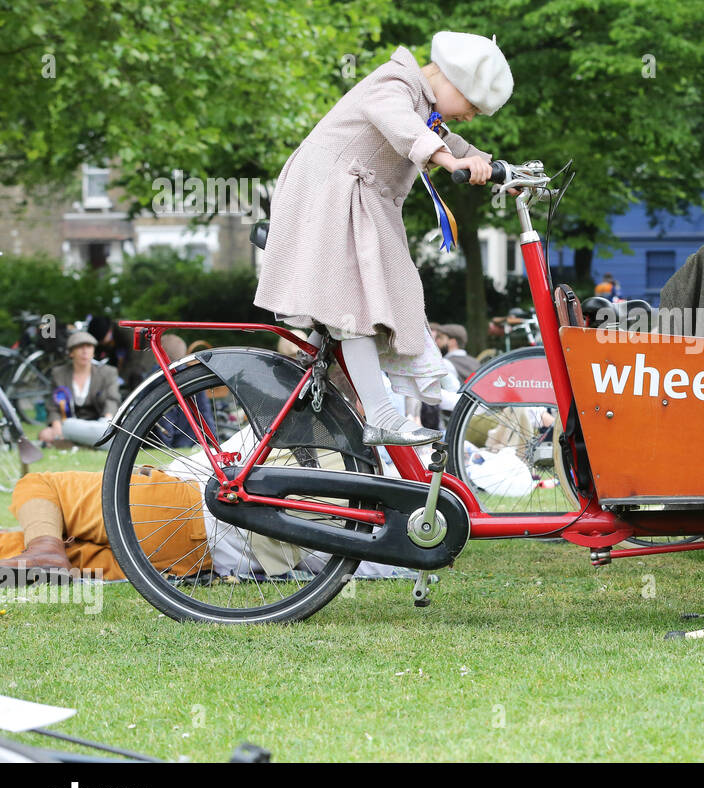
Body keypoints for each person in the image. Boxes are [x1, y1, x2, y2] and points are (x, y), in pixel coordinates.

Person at [253, 31, 513, 448]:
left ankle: (292, 407)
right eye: (472, 105)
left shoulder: (423, 105)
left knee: (348, 317)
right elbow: (401, 123)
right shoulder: (395, 82)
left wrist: (497, 168)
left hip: (355, 202)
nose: (471, 116)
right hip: (330, 196)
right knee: (351, 303)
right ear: (451, 80)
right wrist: (448, 160)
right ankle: (381, 414)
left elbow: (442, 136)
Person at [0, 427, 407, 584]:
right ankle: (44, 553)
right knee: (67, 554)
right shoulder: (374, 506)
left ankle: (44, 552)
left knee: (41, 484)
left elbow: (213, 461)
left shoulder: (303, 428)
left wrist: (149, 473)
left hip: (176, 505)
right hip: (195, 560)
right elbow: (365, 563)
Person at [38, 331, 119, 447]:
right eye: (80, 347)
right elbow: (53, 406)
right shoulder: (59, 373)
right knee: (47, 433)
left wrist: (108, 422)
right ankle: (90, 442)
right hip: (69, 422)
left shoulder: (108, 372)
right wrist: (57, 427)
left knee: (102, 432)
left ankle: (76, 440)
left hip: (99, 423)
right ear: (71, 353)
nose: (85, 351)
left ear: (94, 351)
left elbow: (112, 400)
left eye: (89, 347)